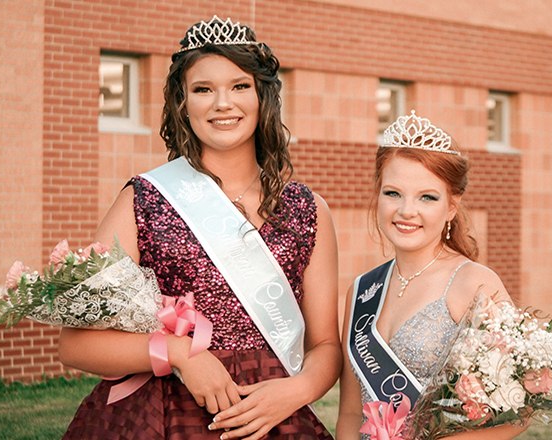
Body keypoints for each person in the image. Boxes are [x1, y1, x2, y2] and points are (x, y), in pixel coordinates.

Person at [59, 16, 341, 440]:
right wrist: (180, 354)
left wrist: (295, 391)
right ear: (183, 103)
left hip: (272, 413)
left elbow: (325, 347)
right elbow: (76, 344)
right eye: (203, 89)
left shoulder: (307, 209)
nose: (222, 103)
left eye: (239, 86)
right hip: (159, 417)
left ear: (263, 96)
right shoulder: (143, 199)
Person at [336, 112, 528, 439]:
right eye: (393, 193)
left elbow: (518, 414)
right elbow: (351, 412)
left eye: (427, 197)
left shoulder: (474, 283)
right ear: (377, 194)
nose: (407, 210)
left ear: (451, 206)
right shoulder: (362, 291)